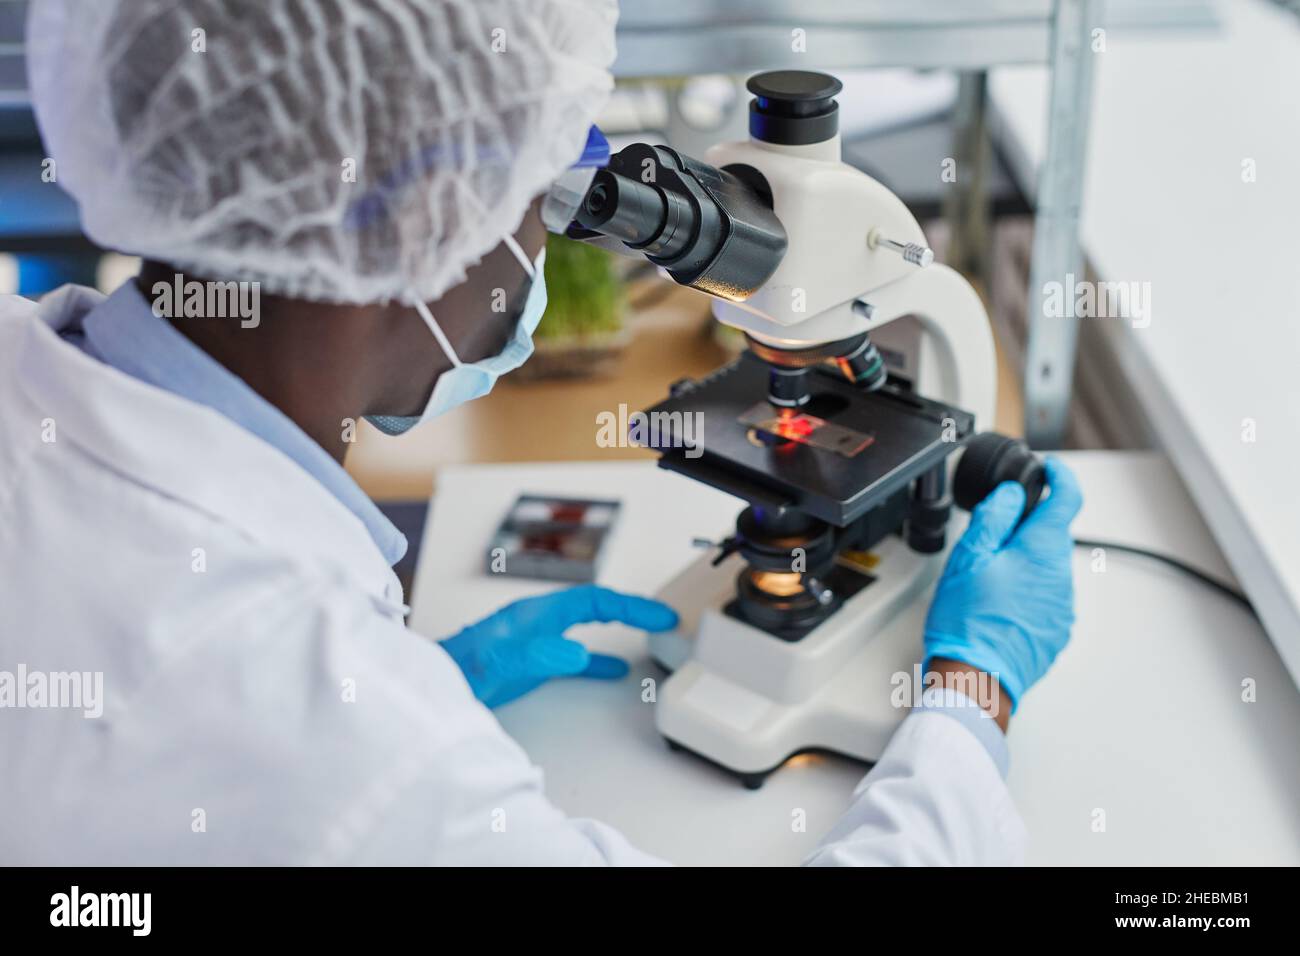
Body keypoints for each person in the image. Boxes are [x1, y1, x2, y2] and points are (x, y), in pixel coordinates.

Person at [0, 0, 1082, 865]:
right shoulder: (364, 768)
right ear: (419, 218)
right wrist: (966, 695)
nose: (543, 238)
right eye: (540, 190)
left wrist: (427, 673)